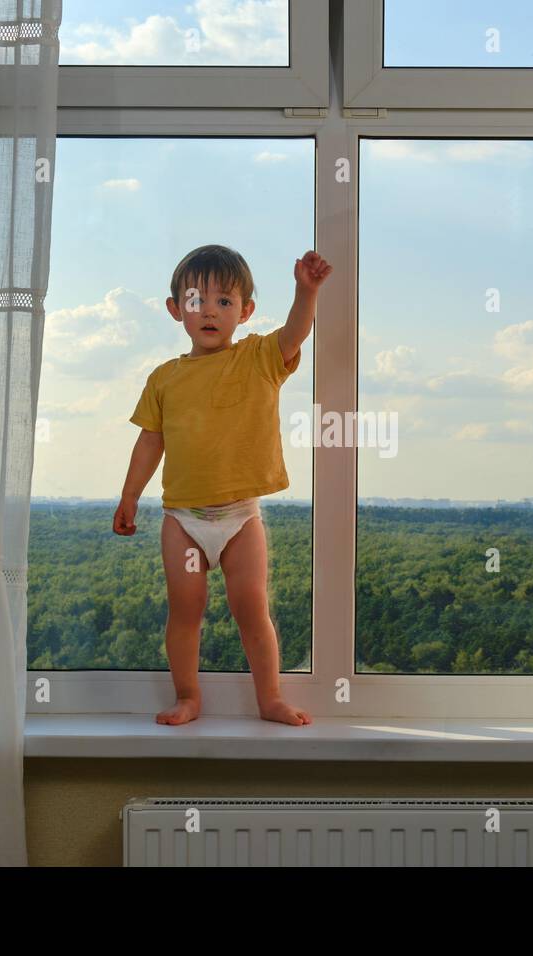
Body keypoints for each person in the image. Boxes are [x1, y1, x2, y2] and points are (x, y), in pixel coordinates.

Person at [113, 244, 332, 726]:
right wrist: (130, 495)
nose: (209, 310)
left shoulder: (258, 358)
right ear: (176, 310)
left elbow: (296, 333)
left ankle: (269, 699)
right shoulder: (164, 378)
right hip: (183, 521)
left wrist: (306, 291)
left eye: (224, 301)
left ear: (245, 311)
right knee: (185, 612)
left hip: (239, 518)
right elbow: (151, 441)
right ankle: (188, 696)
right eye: (196, 300)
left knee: (252, 610)